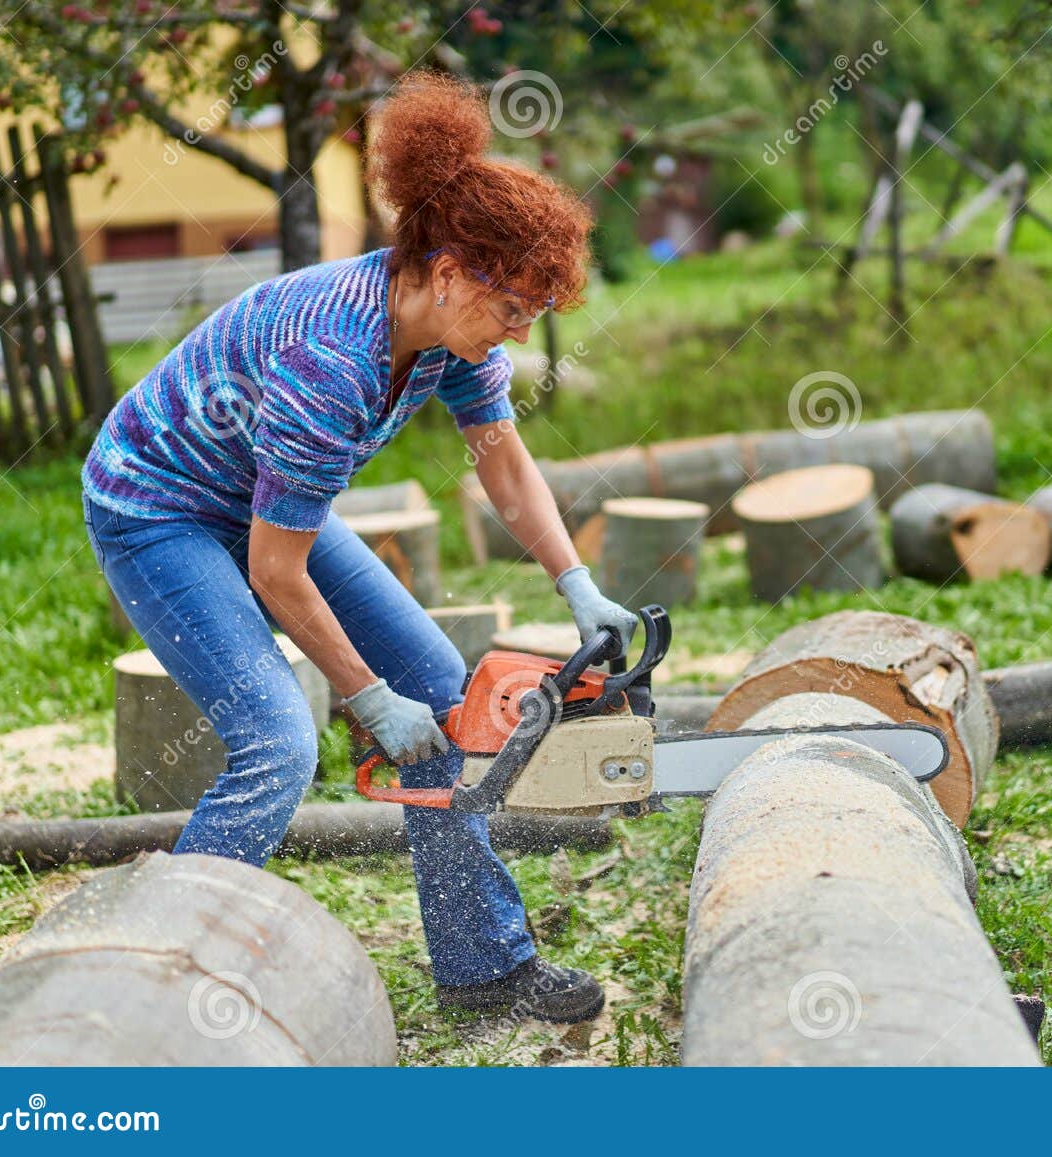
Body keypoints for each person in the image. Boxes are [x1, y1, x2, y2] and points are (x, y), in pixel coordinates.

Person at [79, 71, 637, 1025]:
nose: (518, 330)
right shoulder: (330, 365)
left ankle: (483, 968)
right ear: (453, 271)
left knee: (438, 688)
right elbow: (276, 572)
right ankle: (150, 987)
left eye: (535, 317)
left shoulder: (456, 340)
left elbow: (505, 468)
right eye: (514, 308)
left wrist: (576, 583)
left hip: (258, 495)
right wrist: (365, 698)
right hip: (158, 506)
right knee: (278, 744)